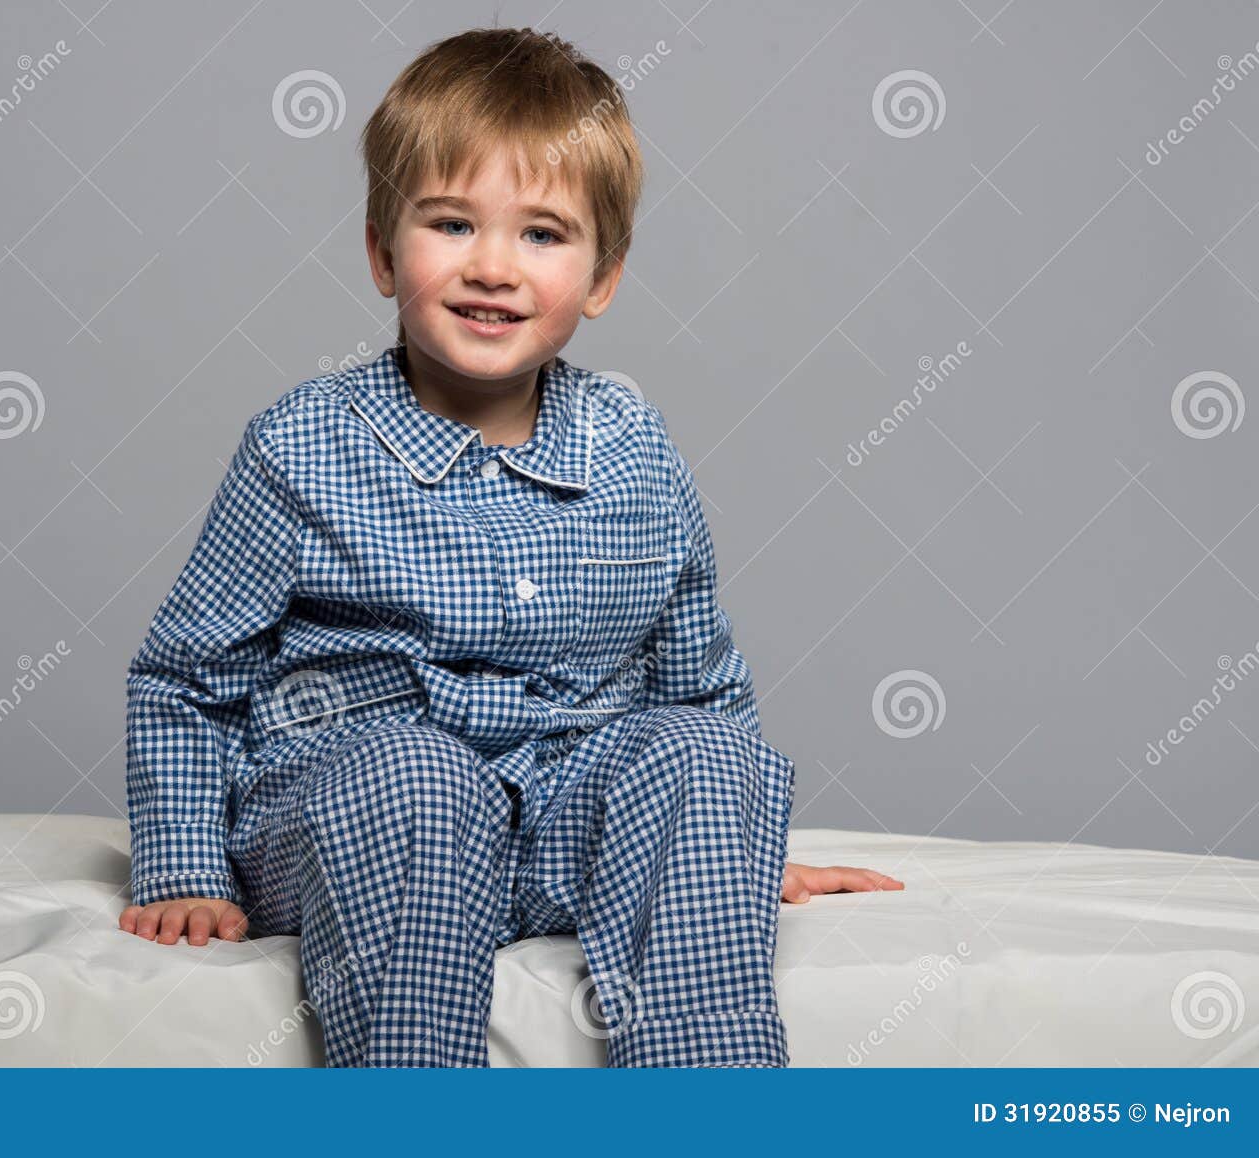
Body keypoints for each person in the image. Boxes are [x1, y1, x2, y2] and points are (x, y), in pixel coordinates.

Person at [119, 26, 902, 1067]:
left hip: (569, 818)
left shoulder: (631, 444)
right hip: (356, 815)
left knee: (712, 755)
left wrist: (719, 850)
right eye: (451, 223)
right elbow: (186, 679)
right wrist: (182, 866)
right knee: (412, 774)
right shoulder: (304, 445)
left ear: (603, 276)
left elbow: (697, 680)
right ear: (381, 251)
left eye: (542, 235)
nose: (493, 266)